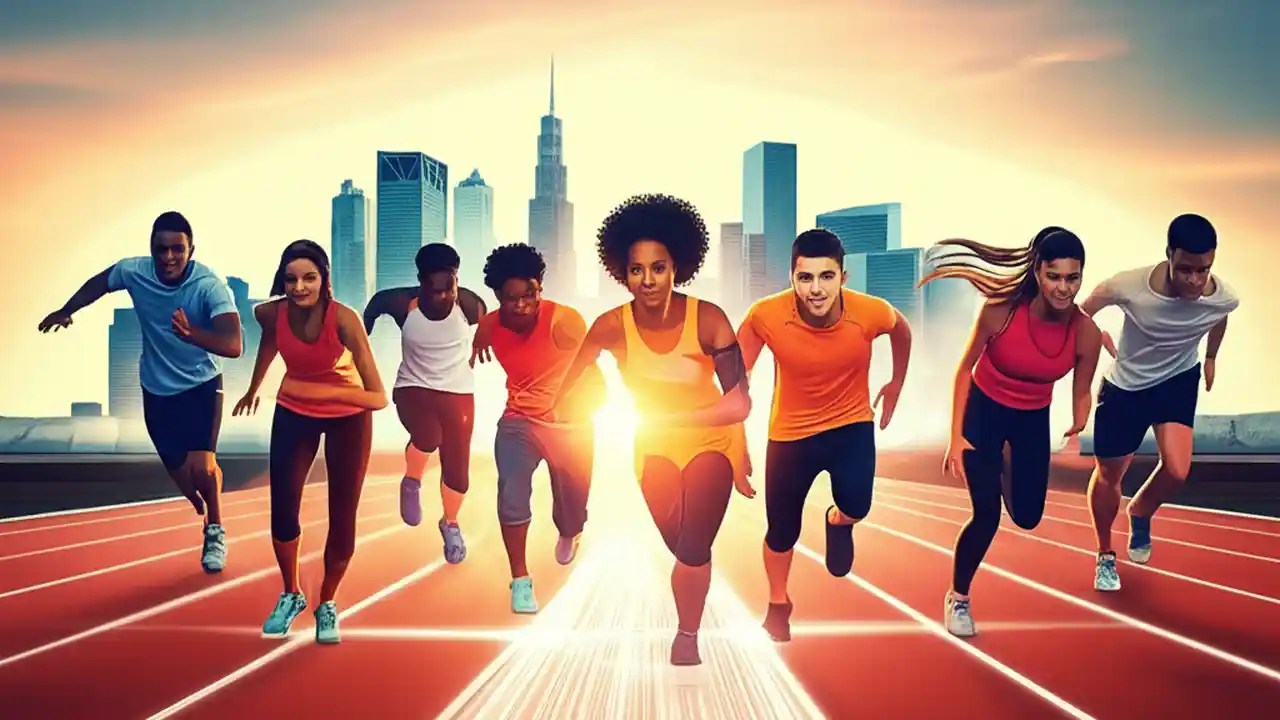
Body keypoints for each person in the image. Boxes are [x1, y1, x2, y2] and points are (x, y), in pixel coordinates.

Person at [555, 193, 753, 666]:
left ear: (677, 267)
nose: (647, 280)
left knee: (693, 545)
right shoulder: (608, 326)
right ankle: (691, 604)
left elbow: (740, 401)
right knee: (680, 544)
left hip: (711, 444)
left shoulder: (708, 319)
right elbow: (569, 385)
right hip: (652, 452)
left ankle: (687, 635)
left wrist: (680, 421)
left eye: (658, 267)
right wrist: (570, 412)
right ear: (621, 272)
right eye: (636, 269)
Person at [921, 227, 1102, 638]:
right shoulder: (1000, 311)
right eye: (1054, 276)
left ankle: (1003, 462)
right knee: (986, 515)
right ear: (1038, 272)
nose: (1063, 287)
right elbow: (963, 369)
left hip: (1031, 419)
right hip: (983, 412)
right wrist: (955, 437)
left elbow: (1082, 390)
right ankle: (959, 597)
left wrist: (1077, 424)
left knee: (1027, 516)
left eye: (1072, 278)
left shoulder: (1086, 332)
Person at [38, 211, 242, 573]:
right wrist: (67, 310)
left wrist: (192, 334)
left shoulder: (210, 286)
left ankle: (215, 529)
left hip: (201, 385)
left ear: (191, 250)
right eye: (160, 249)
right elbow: (99, 283)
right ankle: (203, 501)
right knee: (184, 476)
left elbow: (233, 343)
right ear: (151, 249)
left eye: (177, 250)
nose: (168, 258)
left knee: (204, 467)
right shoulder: (134, 271)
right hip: (157, 389)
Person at [736, 229, 913, 642]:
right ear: (792, 277)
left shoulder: (870, 312)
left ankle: (838, 521)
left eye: (826, 277)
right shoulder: (765, 314)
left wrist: (896, 383)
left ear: (843, 277)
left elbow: (901, 330)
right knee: (782, 531)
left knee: (858, 505)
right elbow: (736, 385)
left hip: (850, 425)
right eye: (805, 278)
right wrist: (735, 443)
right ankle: (778, 605)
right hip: (790, 435)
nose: (816, 289)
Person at [232, 240, 387, 644]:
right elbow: (270, 341)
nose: (299, 287)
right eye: (291, 279)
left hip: (348, 418)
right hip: (293, 413)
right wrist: (254, 388)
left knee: (343, 518)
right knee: (283, 510)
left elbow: (378, 397)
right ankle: (291, 593)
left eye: (309, 278)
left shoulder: (345, 320)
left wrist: (326, 394)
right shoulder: (269, 312)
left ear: (325, 279)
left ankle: (328, 602)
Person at [1078, 213, 1239, 591]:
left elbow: (1219, 317)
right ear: (1168, 255)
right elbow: (1081, 312)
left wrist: (1212, 356)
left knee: (1179, 470)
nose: (1196, 281)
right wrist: (1094, 335)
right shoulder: (1127, 286)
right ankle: (1105, 555)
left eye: (1204, 270)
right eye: (1186, 270)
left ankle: (1141, 510)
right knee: (1109, 477)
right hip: (1126, 389)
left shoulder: (1223, 296)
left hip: (1177, 381)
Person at [468, 243, 606, 613]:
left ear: (539, 288)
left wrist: (576, 411)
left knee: (572, 510)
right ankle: (520, 579)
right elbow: (485, 327)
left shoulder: (566, 322)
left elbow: (597, 375)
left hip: (571, 426)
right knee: (512, 489)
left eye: (529, 293)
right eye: (511, 298)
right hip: (520, 422)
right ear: (497, 297)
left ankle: (569, 529)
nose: (522, 304)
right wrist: (481, 335)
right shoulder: (490, 324)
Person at [363, 243, 485, 565]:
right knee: (429, 436)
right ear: (420, 282)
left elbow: (491, 329)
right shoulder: (403, 303)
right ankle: (412, 480)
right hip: (413, 387)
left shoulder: (471, 305)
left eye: (450, 287)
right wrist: (363, 338)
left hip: (458, 393)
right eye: (435, 290)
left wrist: (485, 341)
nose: (444, 296)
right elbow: (373, 307)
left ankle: (450, 523)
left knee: (458, 472)